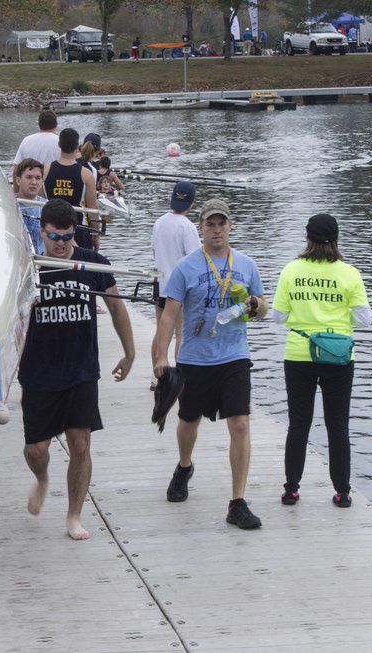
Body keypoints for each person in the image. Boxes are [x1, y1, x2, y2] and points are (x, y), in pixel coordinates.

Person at [18, 199, 134, 540]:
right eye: (55, 237)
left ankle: (73, 515)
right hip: (39, 370)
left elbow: (116, 308)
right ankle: (41, 478)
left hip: (81, 369)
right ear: (42, 232)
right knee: (35, 449)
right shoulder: (28, 267)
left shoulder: (93, 263)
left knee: (80, 444)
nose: (62, 244)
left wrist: (129, 353)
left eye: (68, 237)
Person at [152, 199, 267, 530]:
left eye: (222, 224)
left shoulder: (246, 264)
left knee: (241, 424)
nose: (216, 230)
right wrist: (161, 356)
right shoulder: (186, 268)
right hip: (194, 358)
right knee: (189, 420)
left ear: (230, 226)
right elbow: (169, 315)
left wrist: (256, 304)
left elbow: (262, 309)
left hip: (234, 356)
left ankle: (237, 502)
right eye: (210, 224)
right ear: (200, 228)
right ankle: (184, 466)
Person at [271, 214, 371, 508]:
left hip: (299, 354)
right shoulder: (349, 273)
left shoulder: (291, 270)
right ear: (336, 239)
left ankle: (291, 490)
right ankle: (342, 492)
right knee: (337, 426)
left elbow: (278, 316)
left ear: (307, 237)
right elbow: (365, 319)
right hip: (339, 357)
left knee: (299, 424)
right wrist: (338, 315)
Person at [150, 181, 201, 380]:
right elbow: (195, 260)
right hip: (179, 288)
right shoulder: (187, 227)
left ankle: (156, 378)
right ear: (192, 202)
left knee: (161, 331)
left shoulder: (159, 222)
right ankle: (181, 378)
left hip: (160, 283)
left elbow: (154, 251)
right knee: (181, 333)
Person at [43, 128, 98, 250]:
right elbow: (92, 209)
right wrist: (96, 234)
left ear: (59, 145)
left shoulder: (45, 170)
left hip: (52, 232)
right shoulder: (86, 174)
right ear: (78, 147)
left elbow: (40, 203)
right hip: (78, 230)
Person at [13, 158, 47, 255]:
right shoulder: (8, 205)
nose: (34, 182)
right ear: (18, 181)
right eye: (29, 177)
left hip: (41, 262)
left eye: (38, 178)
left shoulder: (48, 207)